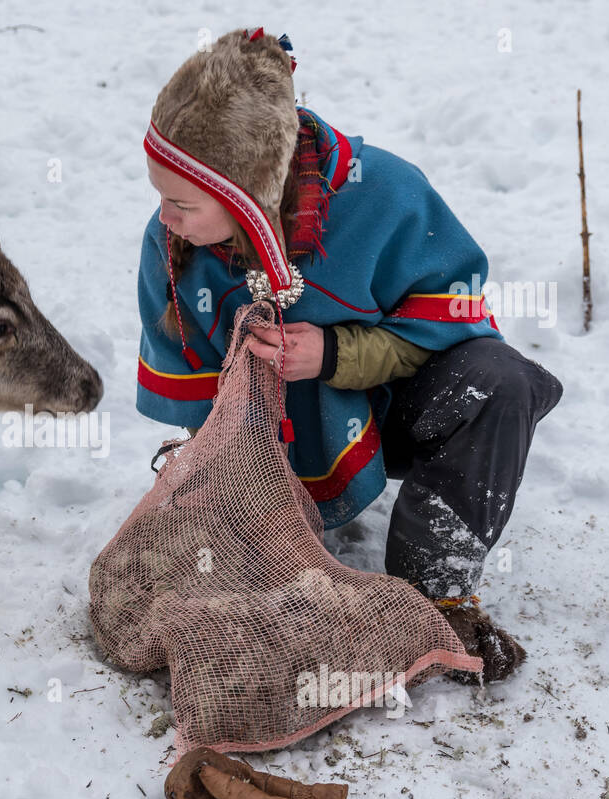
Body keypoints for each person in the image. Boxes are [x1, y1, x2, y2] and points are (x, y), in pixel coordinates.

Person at [135, 27, 563, 681]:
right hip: (265, 436)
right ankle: (273, 529)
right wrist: (219, 487)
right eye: (161, 196)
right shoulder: (175, 247)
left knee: (499, 384)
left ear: (247, 195)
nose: (165, 217)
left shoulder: (383, 194)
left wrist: (335, 352)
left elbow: (449, 319)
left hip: (387, 407)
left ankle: (436, 596)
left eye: (182, 203)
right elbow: (193, 387)